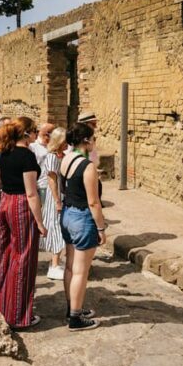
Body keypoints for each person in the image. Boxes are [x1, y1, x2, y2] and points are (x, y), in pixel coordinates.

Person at [0, 117, 47, 328]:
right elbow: (32, 193)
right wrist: (40, 223)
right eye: (34, 131)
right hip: (21, 205)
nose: (36, 135)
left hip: (5, 202)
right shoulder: (26, 156)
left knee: (5, 253)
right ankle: (17, 315)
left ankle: (2, 306)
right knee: (23, 257)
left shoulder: (5, 152)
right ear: (27, 134)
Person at [60, 122, 106, 331]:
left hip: (68, 215)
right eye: (93, 138)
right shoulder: (88, 166)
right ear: (86, 140)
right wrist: (101, 228)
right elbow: (93, 202)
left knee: (70, 266)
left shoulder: (66, 159)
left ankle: (72, 307)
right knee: (80, 271)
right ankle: (76, 318)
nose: (95, 142)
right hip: (82, 217)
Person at [40, 127, 68, 280]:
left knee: (60, 226)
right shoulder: (51, 157)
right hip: (54, 195)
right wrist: (57, 200)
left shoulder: (62, 155)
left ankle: (56, 261)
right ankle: (55, 264)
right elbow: (52, 180)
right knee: (56, 227)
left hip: (62, 194)